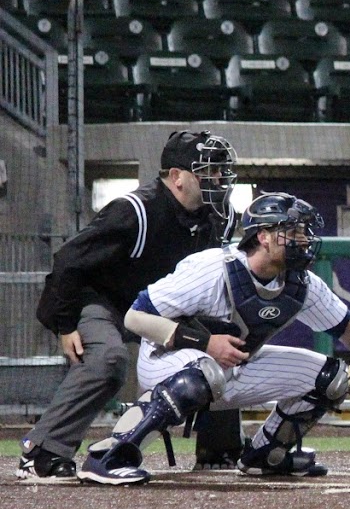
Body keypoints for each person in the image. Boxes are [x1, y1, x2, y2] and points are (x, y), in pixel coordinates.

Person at [75, 192, 350, 485]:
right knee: (204, 373)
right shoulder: (212, 269)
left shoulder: (302, 283)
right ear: (263, 236)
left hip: (233, 369)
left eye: (304, 231)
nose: (303, 239)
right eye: (294, 230)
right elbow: (135, 318)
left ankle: (266, 456)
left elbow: (347, 326)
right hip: (168, 364)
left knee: (333, 378)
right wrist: (206, 344)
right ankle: (110, 456)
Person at [16, 130, 237, 483]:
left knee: (225, 342)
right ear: (177, 178)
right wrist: (65, 324)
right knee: (108, 359)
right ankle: (44, 451)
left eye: (219, 171)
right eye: (207, 172)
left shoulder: (217, 217)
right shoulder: (134, 210)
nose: (218, 180)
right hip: (102, 300)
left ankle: (219, 449)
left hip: (158, 309)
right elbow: (69, 260)